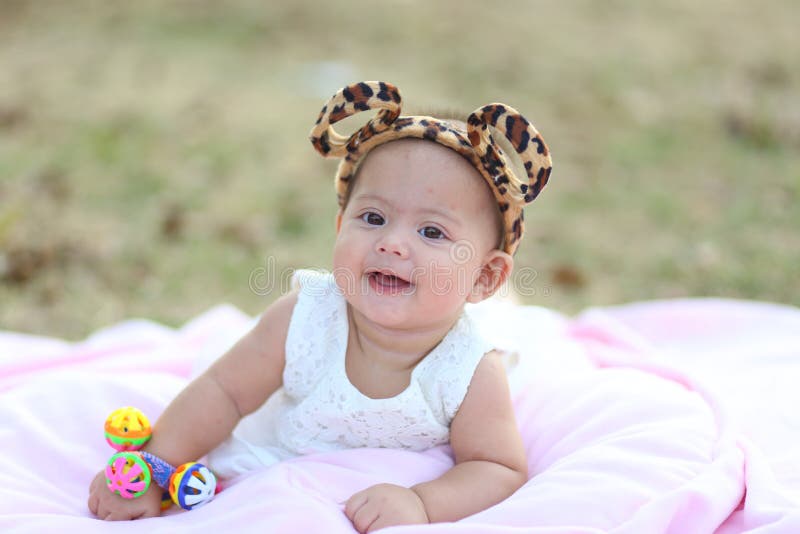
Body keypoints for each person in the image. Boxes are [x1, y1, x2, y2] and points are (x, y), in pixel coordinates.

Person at [87, 81, 553, 532]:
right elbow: (223, 391)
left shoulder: (470, 369)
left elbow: (496, 467)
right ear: (340, 225)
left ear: (484, 276)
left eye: (432, 232)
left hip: (377, 491)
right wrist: (154, 468)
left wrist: (421, 502)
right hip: (285, 462)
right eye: (373, 218)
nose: (391, 243)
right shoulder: (305, 317)